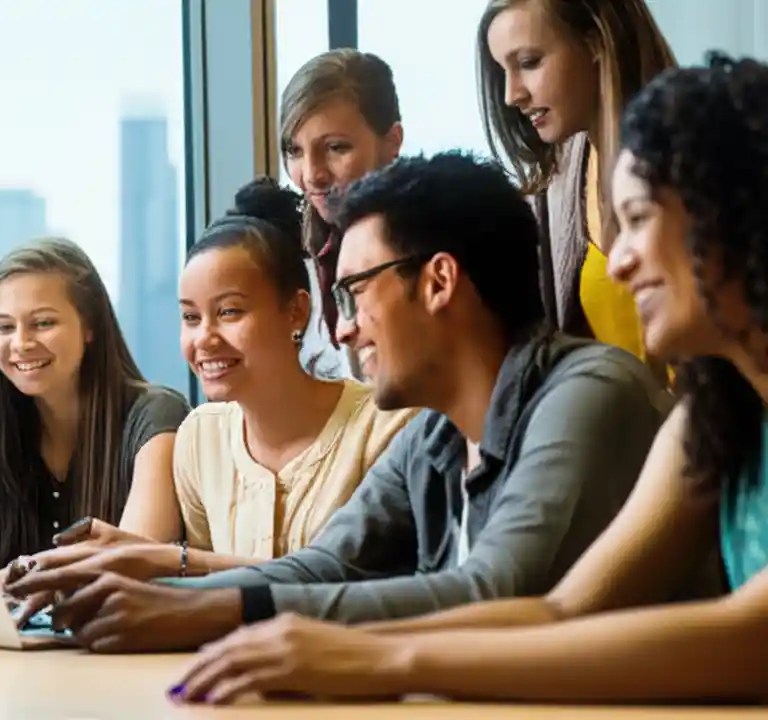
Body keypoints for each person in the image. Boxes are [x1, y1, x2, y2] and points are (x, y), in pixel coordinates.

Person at [170, 55, 768, 706]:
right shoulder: (710, 420)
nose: (618, 263)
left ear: (733, 208)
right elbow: (559, 613)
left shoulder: (597, 388)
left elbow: (749, 635)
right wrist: (188, 605)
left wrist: (384, 660)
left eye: (640, 219)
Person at [6, 152, 672, 653]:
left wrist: (209, 611)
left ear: (439, 281)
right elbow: (324, 564)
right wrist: (127, 599)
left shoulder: (587, 393)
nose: (345, 326)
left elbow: (496, 590)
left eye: (355, 292)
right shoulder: (435, 438)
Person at [4, 180, 416, 622]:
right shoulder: (201, 437)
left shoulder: (390, 428)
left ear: (296, 312)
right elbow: (205, 602)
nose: (205, 338)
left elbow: (374, 591)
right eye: (190, 317)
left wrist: (168, 560)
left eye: (230, 312)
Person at [0, 238, 190, 572]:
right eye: (4, 327)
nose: (21, 343)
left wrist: (6, 584)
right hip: (7, 626)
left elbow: (135, 566)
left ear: (89, 327)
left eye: (43, 323)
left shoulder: (156, 416)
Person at [480, 0, 674, 375]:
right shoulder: (553, 188)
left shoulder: (699, 159)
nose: (511, 94)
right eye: (503, 70)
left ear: (597, 42)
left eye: (530, 62)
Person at [280, 48, 404, 379]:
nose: (311, 174)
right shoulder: (295, 259)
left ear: (393, 141)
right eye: (294, 151)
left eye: (335, 148)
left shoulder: (424, 250)